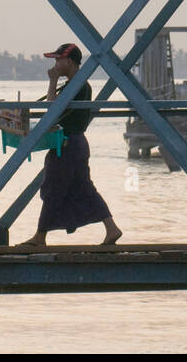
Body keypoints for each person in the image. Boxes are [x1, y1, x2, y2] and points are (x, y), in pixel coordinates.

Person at [17, 43, 122, 249]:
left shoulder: (78, 86)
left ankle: (40, 237)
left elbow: (52, 110)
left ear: (70, 62)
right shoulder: (78, 85)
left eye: (58, 60)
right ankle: (112, 228)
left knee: (52, 188)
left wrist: (52, 80)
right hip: (76, 144)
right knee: (84, 188)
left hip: (67, 145)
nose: (56, 64)